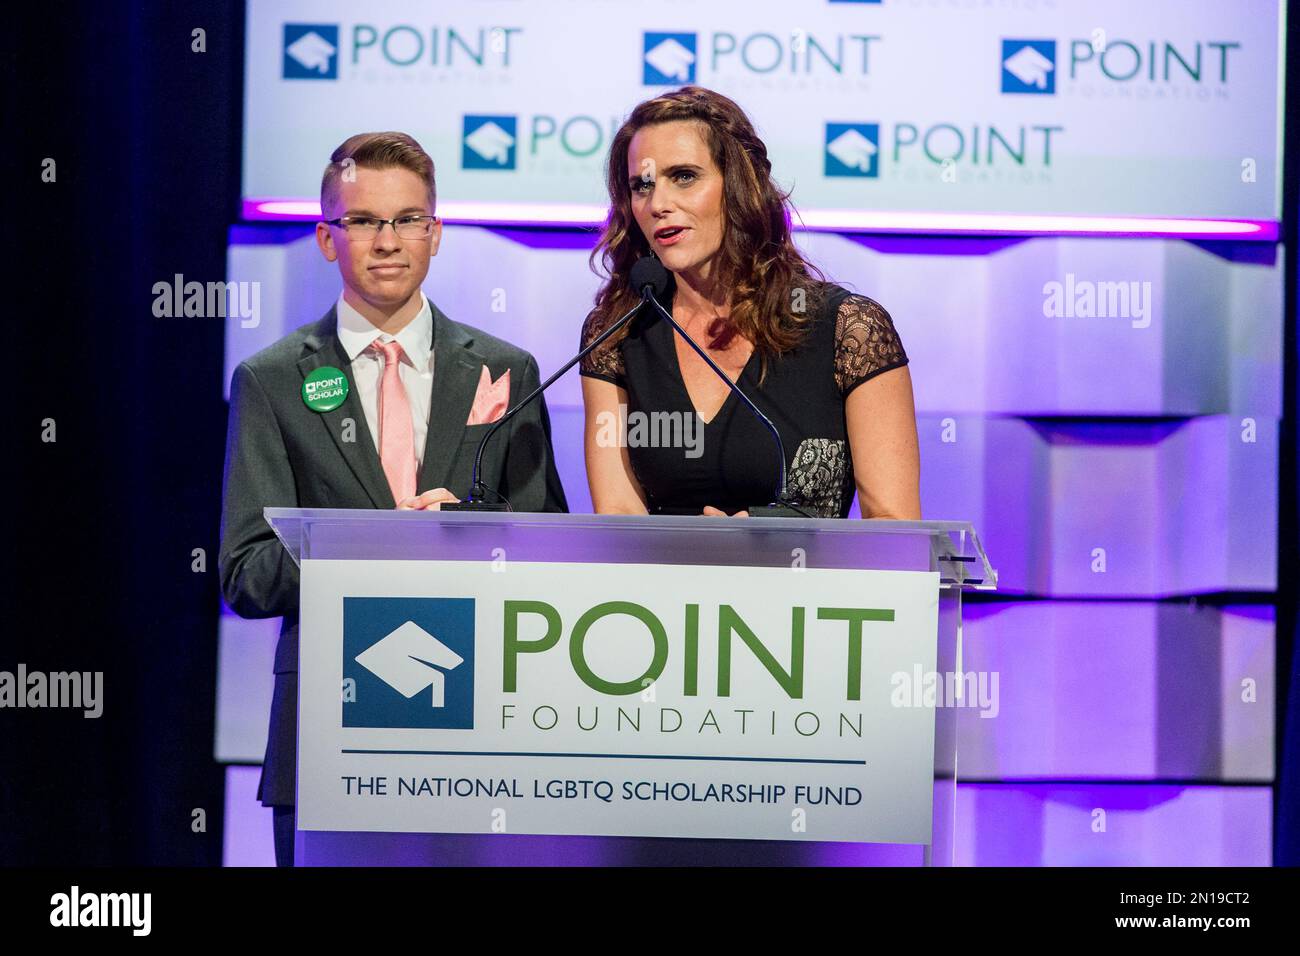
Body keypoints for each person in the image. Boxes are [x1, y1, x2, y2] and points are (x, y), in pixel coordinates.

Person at [218, 131, 568, 866]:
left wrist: (463, 532)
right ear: (324, 238)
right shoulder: (272, 380)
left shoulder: (505, 369)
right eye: (364, 221)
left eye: (408, 219)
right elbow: (245, 576)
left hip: (484, 725)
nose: (388, 240)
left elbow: (549, 549)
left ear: (435, 235)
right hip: (329, 728)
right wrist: (372, 542)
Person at [580, 87, 920, 520]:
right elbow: (619, 515)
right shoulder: (618, 332)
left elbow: (894, 526)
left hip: (813, 584)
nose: (658, 205)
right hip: (664, 584)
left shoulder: (848, 330)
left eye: (684, 176)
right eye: (641, 187)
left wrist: (770, 548)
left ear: (740, 185)